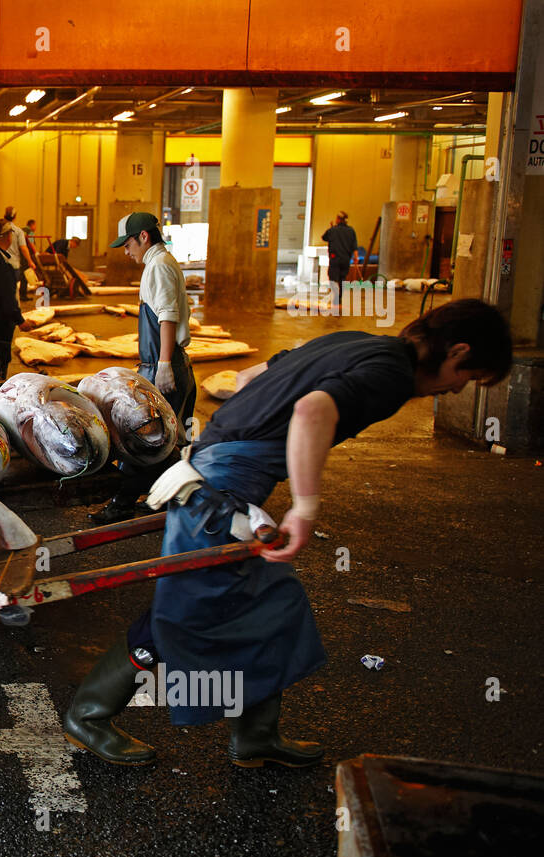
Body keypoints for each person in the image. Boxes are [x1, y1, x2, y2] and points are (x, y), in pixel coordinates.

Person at [63, 299, 513, 767]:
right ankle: (88, 715)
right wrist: (305, 507)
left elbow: (248, 380)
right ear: (458, 352)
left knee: (273, 606)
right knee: (186, 609)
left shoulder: (353, 343)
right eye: (470, 377)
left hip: (214, 473)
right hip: (220, 492)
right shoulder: (392, 374)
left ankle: (256, 736)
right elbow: (312, 412)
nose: (459, 388)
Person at [91, 211, 197, 523]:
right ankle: (167, 499)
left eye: (128, 244)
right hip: (165, 363)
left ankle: (123, 502)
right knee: (169, 440)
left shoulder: (159, 265)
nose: (127, 251)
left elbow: (167, 315)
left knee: (143, 436)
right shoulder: (160, 262)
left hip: (164, 364)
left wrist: (163, 364)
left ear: (144, 237)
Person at [0, 218, 24, 380]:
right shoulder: (0, 262)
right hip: (1, 320)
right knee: (1, 354)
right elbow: (7, 297)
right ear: (5, 236)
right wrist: (19, 319)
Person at [321, 211, 357, 310]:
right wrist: (356, 258)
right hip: (346, 259)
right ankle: (339, 298)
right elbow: (354, 246)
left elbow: (324, 238)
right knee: (342, 278)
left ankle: (335, 296)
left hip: (334, 258)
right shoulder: (351, 231)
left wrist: (331, 227)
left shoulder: (332, 230)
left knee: (333, 278)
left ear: (338, 219)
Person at [3, 207, 39, 301]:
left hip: (0, 262)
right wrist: (32, 258)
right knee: (15, 284)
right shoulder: (22, 231)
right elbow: (26, 246)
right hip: (14, 263)